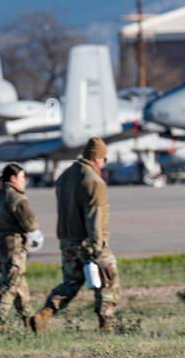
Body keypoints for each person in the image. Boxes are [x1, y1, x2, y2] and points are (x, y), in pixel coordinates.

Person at [30, 137, 121, 333]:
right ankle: (107, 325)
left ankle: (44, 315)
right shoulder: (95, 182)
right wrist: (97, 247)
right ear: (98, 158)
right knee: (108, 280)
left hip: (67, 241)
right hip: (89, 240)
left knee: (71, 283)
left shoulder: (65, 176)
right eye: (104, 159)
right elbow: (94, 216)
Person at [0, 163, 38, 328]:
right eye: (23, 177)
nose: (25, 181)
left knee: (19, 286)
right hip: (12, 248)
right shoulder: (17, 197)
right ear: (13, 178)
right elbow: (30, 224)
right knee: (9, 288)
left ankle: (31, 323)